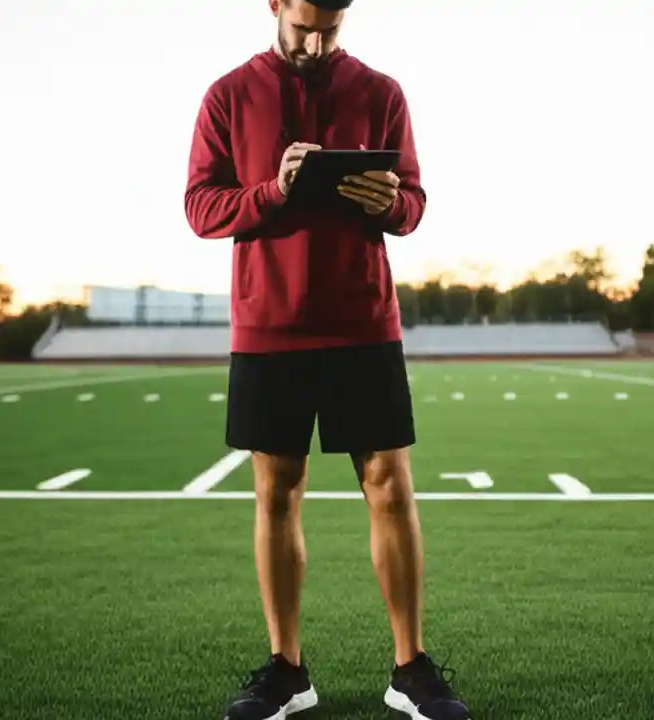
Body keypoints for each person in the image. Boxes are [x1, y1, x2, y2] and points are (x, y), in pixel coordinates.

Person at [183, 1, 470, 718]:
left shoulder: (381, 93)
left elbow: (413, 204)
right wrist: (274, 190)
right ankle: (286, 670)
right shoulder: (227, 94)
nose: (315, 40)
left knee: (390, 486)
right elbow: (200, 207)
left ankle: (411, 668)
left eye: (330, 27)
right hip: (268, 324)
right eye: (303, 23)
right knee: (276, 491)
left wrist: (391, 201)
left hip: (362, 320)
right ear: (275, 5)